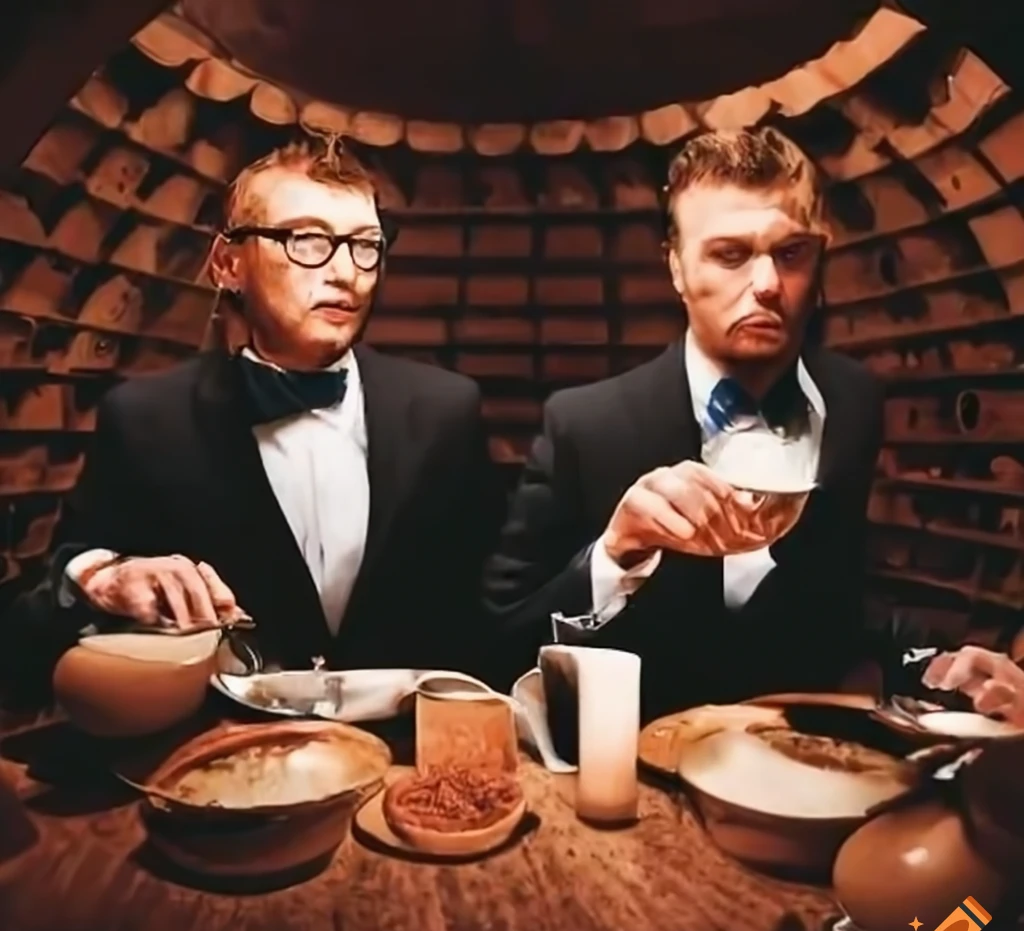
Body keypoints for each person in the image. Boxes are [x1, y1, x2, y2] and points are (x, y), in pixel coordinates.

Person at [2, 133, 499, 706]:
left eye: (366, 245)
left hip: (405, 768)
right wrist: (101, 578)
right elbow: (29, 633)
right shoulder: (146, 420)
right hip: (222, 769)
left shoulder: (447, 411)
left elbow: (491, 616)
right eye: (308, 240)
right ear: (228, 263)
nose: (346, 272)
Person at [483, 127, 884, 720]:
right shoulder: (585, 426)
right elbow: (497, 649)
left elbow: (843, 604)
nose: (769, 284)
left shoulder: (854, 401)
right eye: (730, 254)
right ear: (675, 268)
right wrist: (613, 556)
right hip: (635, 775)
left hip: (803, 774)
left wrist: (933, 663)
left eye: (791, 253)